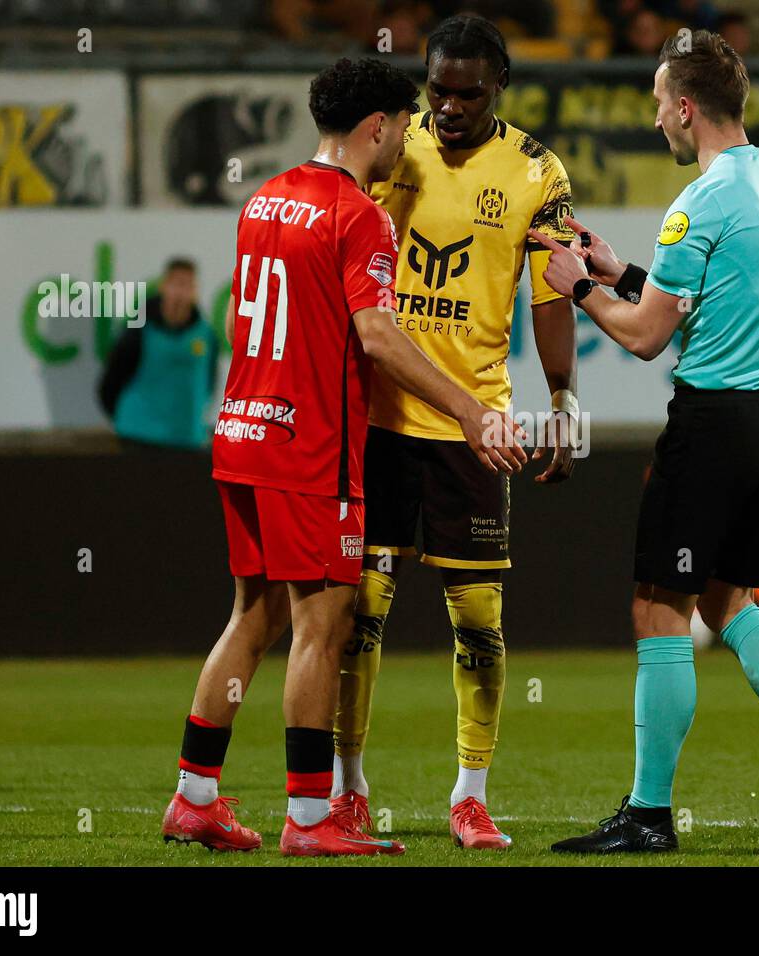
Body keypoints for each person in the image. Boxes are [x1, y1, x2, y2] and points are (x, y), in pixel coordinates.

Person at [159, 57, 526, 858]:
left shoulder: (265, 197)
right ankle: (311, 817)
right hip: (308, 451)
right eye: (403, 125)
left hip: (243, 431)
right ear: (376, 127)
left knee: (249, 617)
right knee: (321, 629)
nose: (407, 141)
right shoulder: (360, 215)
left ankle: (195, 796)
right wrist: (471, 412)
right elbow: (378, 336)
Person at [529, 29, 759, 854]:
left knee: (658, 607)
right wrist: (618, 273)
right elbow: (707, 307)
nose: (654, 124)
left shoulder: (700, 200)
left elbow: (645, 340)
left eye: (656, 105)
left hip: (711, 425)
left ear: (686, 107)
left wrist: (578, 290)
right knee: (728, 600)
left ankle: (648, 813)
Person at [329, 13, 579, 851]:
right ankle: (348, 789)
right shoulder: (390, 150)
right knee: (359, 610)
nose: (450, 108)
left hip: (476, 420)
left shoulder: (538, 172)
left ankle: (470, 796)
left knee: (477, 617)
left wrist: (564, 398)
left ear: (499, 86)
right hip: (378, 417)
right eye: (438, 90)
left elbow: (551, 292)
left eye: (468, 94)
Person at [98, 258, 219, 450]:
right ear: (164, 286)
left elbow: (209, 383)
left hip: (187, 440)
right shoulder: (138, 330)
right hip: (139, 438)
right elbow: (112, 379)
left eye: (189, 285)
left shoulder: (206, 335)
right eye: (177, 284)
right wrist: (131, 419)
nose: (182, 293)